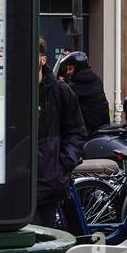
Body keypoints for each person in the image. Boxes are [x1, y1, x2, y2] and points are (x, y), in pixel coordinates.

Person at [36, 38, 86, 230]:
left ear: (43, 60)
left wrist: (63, 164)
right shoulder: (13, 92)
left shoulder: (60, 91)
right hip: (21, 187)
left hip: (50, 182)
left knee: (44, 244)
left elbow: (77, 132)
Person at [56, 51, 110, 136]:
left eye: (70, 69)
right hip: (100, 125)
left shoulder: (78, 85)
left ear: (78, 68)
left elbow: (63, 100)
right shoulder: (94, 79)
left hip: (88, 130)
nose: (68, 72)